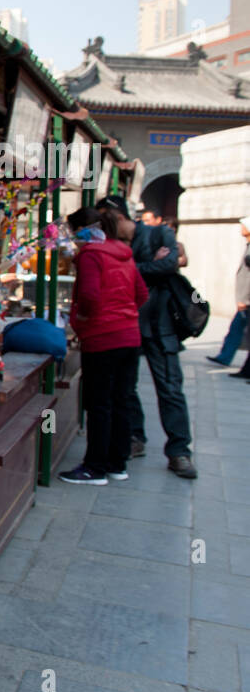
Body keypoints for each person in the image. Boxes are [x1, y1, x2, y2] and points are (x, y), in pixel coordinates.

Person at [98, 195, 198, 479]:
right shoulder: (117, 244)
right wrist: (142, 268)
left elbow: (168, 266)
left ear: (117, 217)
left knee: (169, 388)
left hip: (159, 324)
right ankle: (135, 437)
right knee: (126, 388)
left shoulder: (158, 233)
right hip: (127, 325)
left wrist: (126, 269)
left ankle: (179, 451)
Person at [57, 207, 147, 485]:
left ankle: (94, 467)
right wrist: (123, 314)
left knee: (99, 404)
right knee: (121, 400)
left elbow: (90, 296)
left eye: (72, 232)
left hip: (102, 339)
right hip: (129, 336)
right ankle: (117, 463)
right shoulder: (122, 252)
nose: (72, 238)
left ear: (84, 229)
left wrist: (83, 323)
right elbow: (141, 294)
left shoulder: (91, 255)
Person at [207, 217, 250, 368]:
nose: (241, 228)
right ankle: (226, 357)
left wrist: (244, 299)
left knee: (237, 329)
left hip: (247, 301)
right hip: (245, 300)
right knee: (236, 329)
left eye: (243, 225)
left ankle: (227, 358)